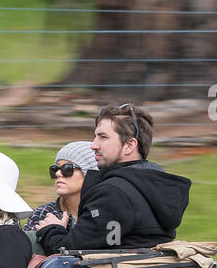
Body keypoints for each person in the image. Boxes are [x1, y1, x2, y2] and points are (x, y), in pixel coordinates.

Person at [34, 102, 190, 252]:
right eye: (95, 137)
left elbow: (70, 250)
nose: (93, 145)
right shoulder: (156, 185)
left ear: (129, 145)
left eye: (103, 137)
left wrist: (52, 229)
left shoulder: (113, 192)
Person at [22, 140, 97, 254]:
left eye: (67, 168)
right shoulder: (43, 213)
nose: (58, 174)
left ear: (90, 173)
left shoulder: (101, 214)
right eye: (55, 169)